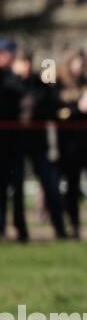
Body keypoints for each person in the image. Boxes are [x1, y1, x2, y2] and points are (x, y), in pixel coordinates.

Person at [13, 48, 68, 239]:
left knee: (50, 187)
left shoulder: (40, 83)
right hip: (16, 144)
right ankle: (21, 231)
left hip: (38, 144)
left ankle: (60, 229)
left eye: (28, 61)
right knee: (17, 189)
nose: (26, 66)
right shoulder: (10, 84)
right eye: (22, 62)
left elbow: (52, 108)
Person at [56, 49, 87, 240]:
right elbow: (56, 110)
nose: (79, 66)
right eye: (76, 62)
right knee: (72, 187)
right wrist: (77, 109)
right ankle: (74, 226)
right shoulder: (59, 84)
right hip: (69, 145)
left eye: (82, 63)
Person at [0, 38, 27, 241]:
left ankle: (20, 229)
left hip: (17, 142)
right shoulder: (8, 78)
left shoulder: (22, 77)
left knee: (17, 188)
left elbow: (49, 85)